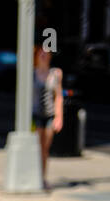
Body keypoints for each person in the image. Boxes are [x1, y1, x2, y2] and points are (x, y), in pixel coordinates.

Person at [32, 47, 64, 190]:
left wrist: (59, 117)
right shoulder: (31, 73)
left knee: (45, 149)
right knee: (37, 148)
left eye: (46, 54)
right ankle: (34, 177)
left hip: (50, 114)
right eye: (41, 54)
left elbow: (58, 96)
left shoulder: (56, 73)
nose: (44, 56)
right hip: (36, 114)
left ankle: (42, 178)